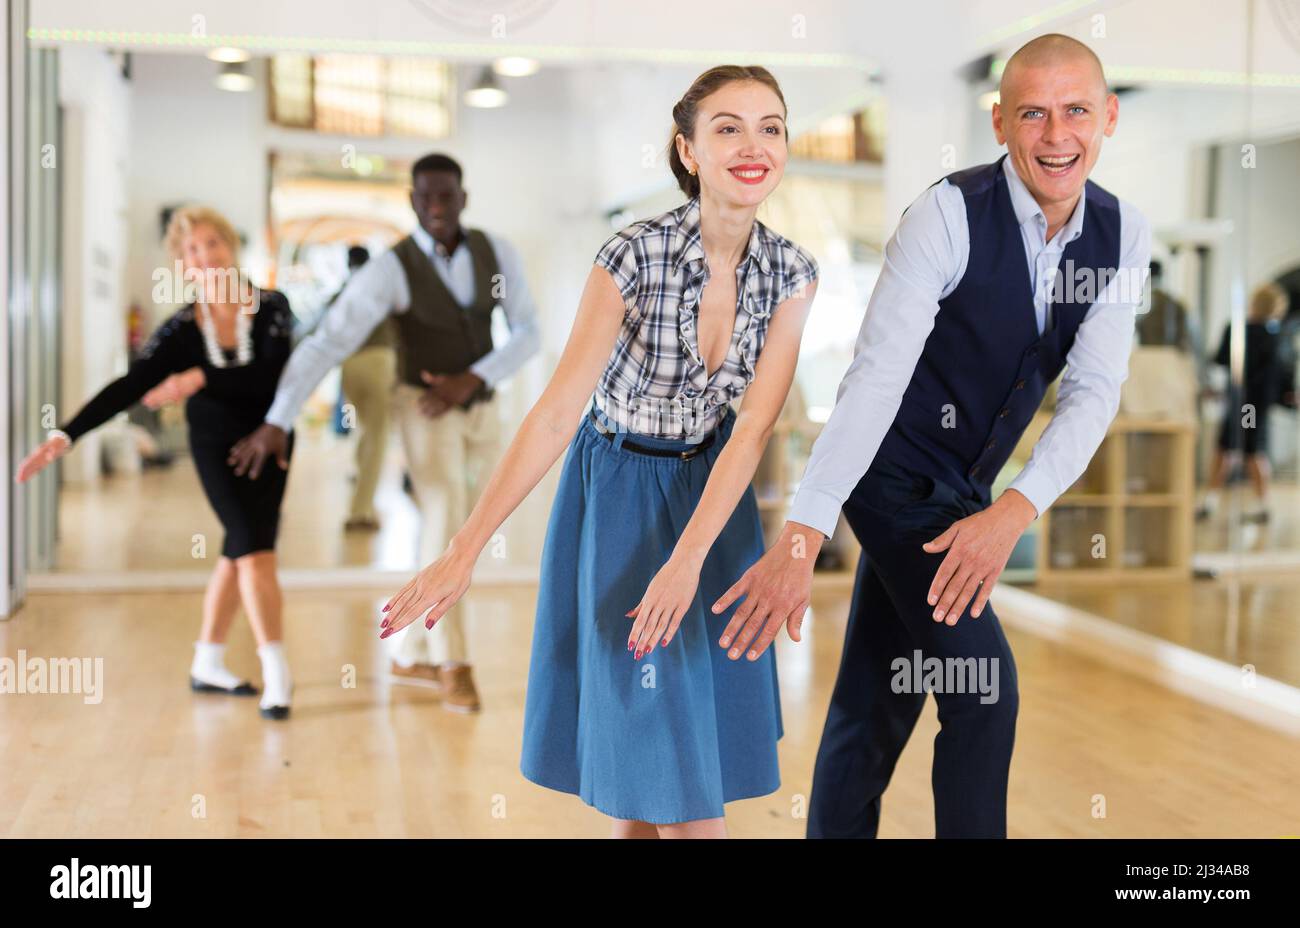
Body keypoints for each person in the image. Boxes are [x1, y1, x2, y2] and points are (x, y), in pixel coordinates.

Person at [713, 35, 1151, 838]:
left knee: (875, 704)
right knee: (985, 690)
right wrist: (806, 533)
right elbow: (873, 380)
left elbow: (1093, 390)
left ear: (1110, 116)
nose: (1057, 135)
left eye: (1076, 111)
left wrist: (1012, 510)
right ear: (999, 122)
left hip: (970, 492)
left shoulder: (1122, 235)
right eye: (1033, 113)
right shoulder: (947, 214)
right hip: (892, 479)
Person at [380, 65, 819, 837]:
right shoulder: (631, 256)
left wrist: (687, 563)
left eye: (771, 127)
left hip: (714, 505)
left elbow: (750, 430)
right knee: (658, 764)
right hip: (615, 494)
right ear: (687, 150)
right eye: (728, 128)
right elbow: (556, 414)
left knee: (660, 770)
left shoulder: (793, 273)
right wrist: (463, 549)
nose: (754, 146)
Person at [227, 154, 541, 712]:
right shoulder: (391, 269)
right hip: (420, 407)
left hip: (481, 406)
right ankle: (452, 661)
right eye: (426, 197)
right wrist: (278, 417)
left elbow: (528, 332)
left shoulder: (498, 254)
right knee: (448, 522)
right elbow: (327, 341)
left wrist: (473, 377)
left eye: (447, 195)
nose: (437, 206)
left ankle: (407, 651)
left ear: (463, 197)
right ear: (413, 201)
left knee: (472, 520)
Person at [16, 206, 298, 720]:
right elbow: (130, 386)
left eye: (212, 243)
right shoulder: (182, 331)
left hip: (273, 439)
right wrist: (67, 434)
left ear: (230, 247)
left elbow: (274, 379)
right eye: (192, 251)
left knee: (241, 549)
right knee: (254, 549)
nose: (205, 256)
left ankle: (207, 661)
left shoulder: (274, 308)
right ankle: (277, 670)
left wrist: (197, 380)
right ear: (183, 266)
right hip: (217, 443)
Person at [1198, 282, 1295, 523]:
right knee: (1247, 449)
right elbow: (1284, 373)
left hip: (1242, 401)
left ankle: (1218, 502)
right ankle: (1243, 504)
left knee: (1236, 449)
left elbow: (1220, 360)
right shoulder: (1277, 337)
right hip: (1255, 404)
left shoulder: (1238, 329)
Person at [331, 245, 398, 531]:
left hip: (349, 363)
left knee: (364, 429)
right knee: (378, 435)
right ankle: (361, 512)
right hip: (378, 360)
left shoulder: (341, 291)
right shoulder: (381, 289)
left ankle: (361, 482)